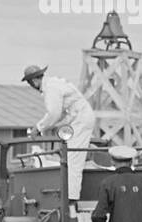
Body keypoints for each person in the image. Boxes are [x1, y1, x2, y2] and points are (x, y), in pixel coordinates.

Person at [23, 64, 97, 208]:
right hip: (77, 119)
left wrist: (39, 128)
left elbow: (54, 113)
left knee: (73, 159)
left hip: (80, 120)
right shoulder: (53, 85)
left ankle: (71, 199)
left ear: (33, 81)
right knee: (70, 157)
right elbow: (61, 113)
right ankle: (70, 195)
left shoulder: (51, 88)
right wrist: (53, 126)